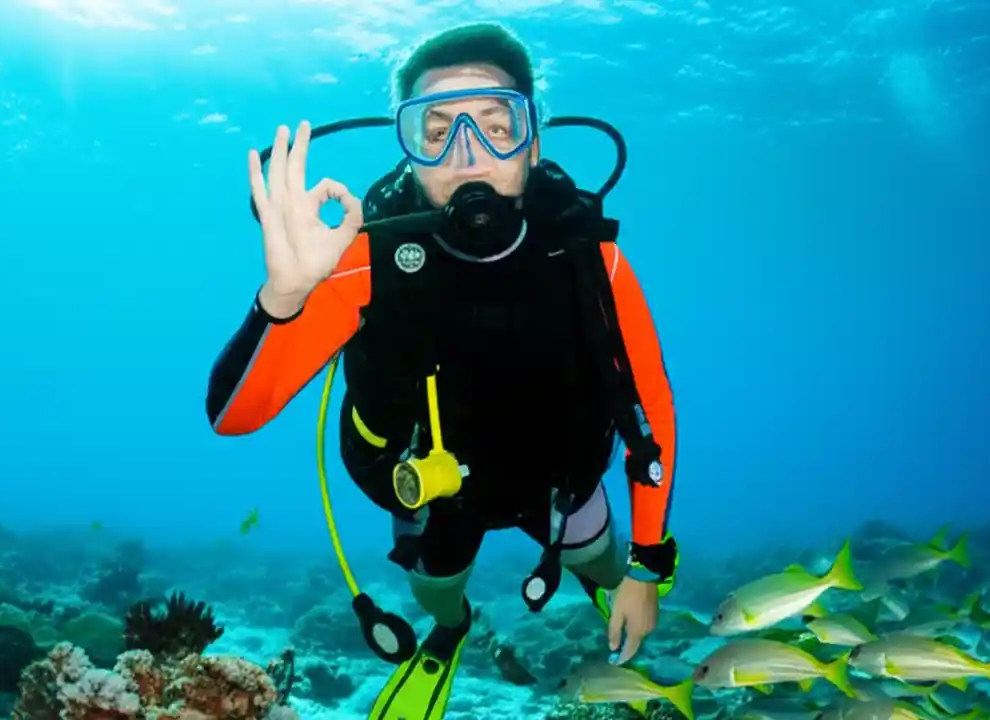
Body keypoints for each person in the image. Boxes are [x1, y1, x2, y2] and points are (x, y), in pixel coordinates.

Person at [207, 21, 679, 719]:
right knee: (438, 588)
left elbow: (653, 411)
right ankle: (454, 626)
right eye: (437, 132)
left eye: (496, 124)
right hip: (433, 494)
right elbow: (233, 418)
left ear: (533, 142)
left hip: (563, 482)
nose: (469, 156)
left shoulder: (590, 257)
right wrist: (283, 299)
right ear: (412, 152)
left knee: (605, 563)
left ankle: (602, 583)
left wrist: (646, 567)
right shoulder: (364, 260)